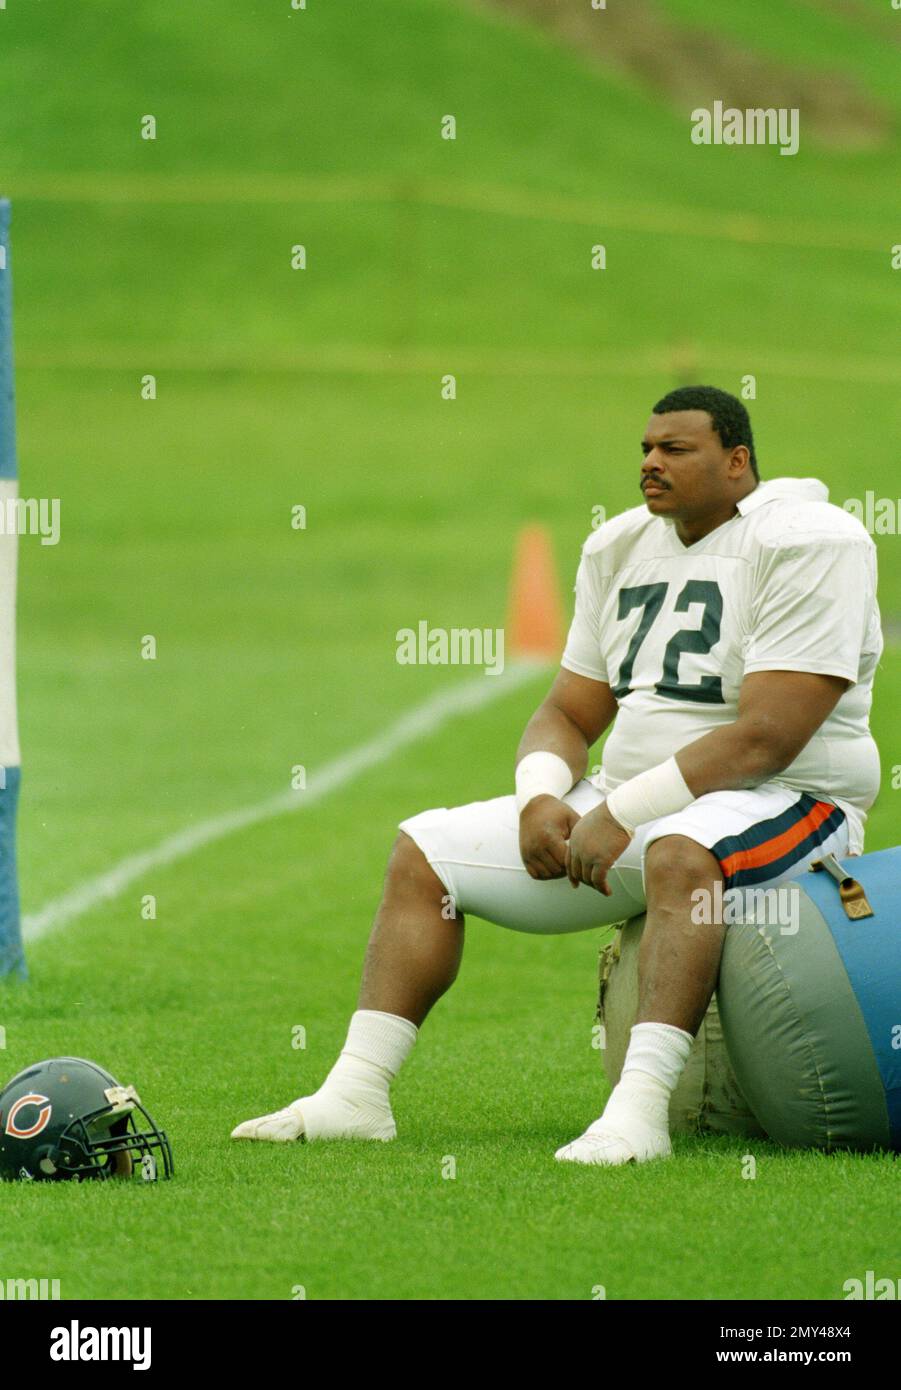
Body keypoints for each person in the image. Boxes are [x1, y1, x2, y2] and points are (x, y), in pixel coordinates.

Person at [232, 385, 882, 1166]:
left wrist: (621, 813)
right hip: (638, 803)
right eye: (644, 448)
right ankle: (354, 1094)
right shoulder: (618, 546)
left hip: (787, 799)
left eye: (674, 449)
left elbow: (765, 739)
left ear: (736, 460)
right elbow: (568, 714)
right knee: (423, 851)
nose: (649, 463)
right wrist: (541, 795)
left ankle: (637, 1115)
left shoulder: (811, 540)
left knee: (681, 853)